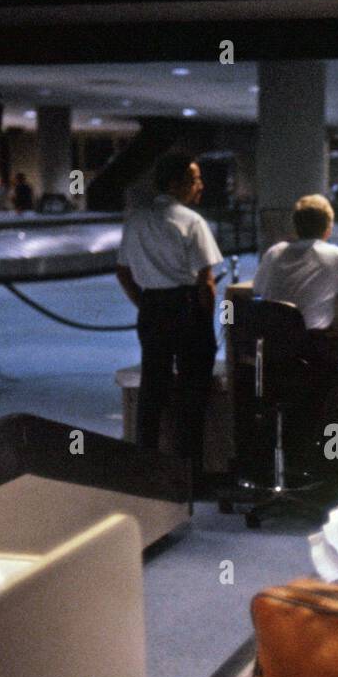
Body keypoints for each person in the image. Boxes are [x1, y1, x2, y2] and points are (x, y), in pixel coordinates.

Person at [116, 152, 222, 490]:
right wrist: (205, 318)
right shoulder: (191, 222)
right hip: (187, 305)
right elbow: (206, 279)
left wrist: (145, 301)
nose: (200, 185)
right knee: (193, 392)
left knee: (153, 388)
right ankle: (190, 474)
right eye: (195, 179)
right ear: (175, 184)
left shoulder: (135, 220)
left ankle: (145, 469)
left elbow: (122, 271)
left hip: (153, 306)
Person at [254, 193, 338, 357]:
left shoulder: (274, 253)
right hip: (314, 348)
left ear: (295, 226)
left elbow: (257, 290)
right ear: (328, 228)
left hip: (273, 346)